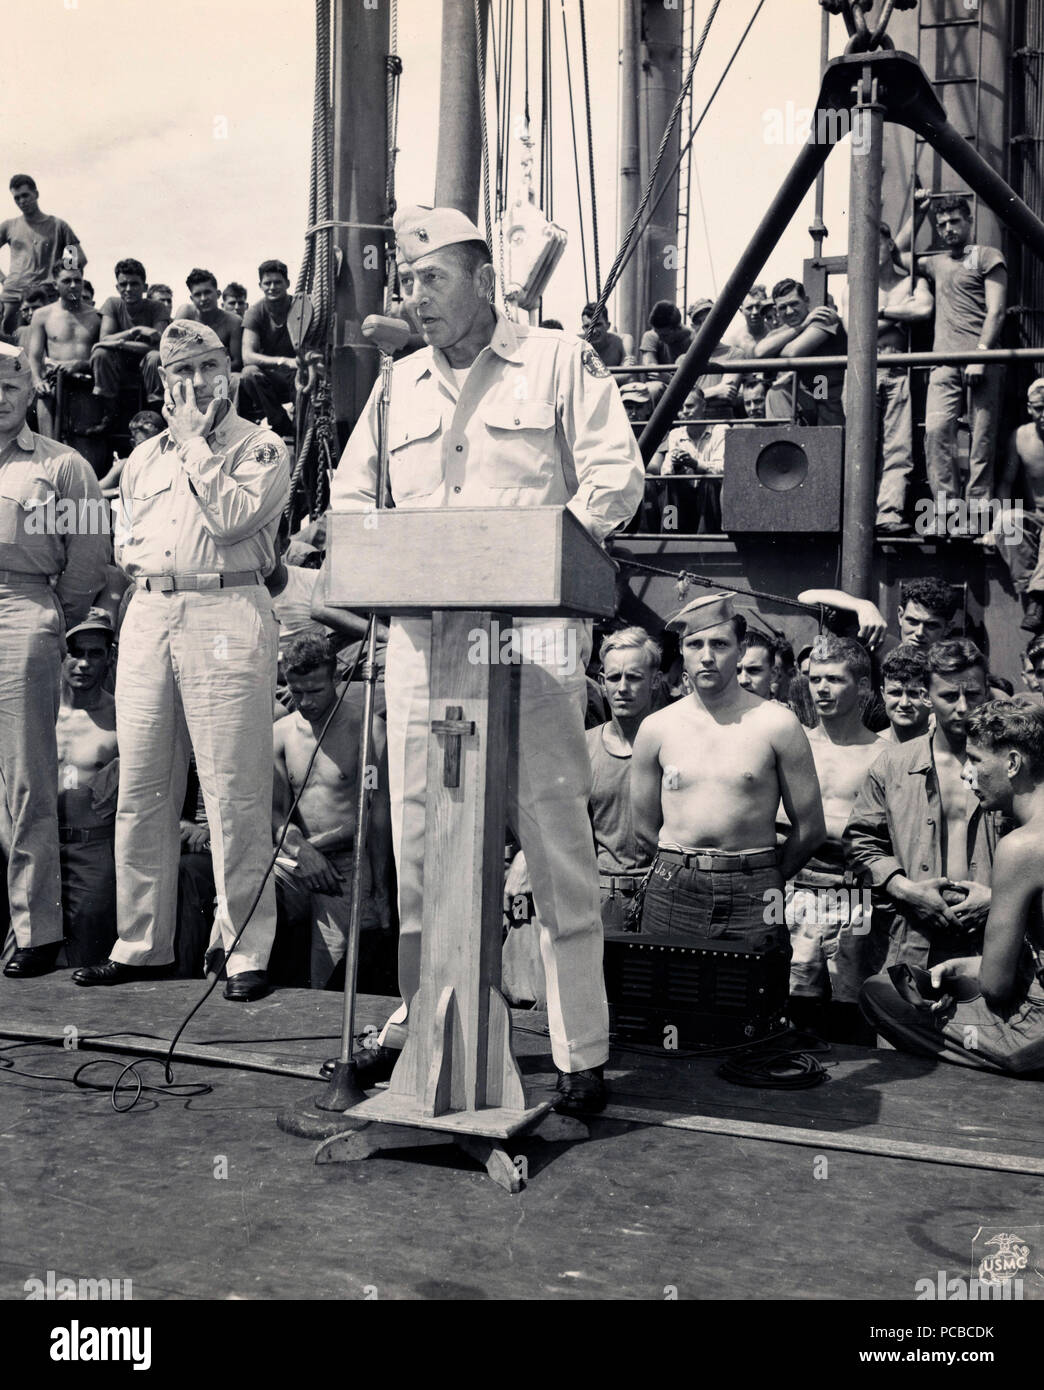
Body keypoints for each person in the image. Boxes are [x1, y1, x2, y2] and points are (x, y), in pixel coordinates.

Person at [330, 204, 644, 1115]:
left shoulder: (554, 360)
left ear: (481, 278)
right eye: (407, 280)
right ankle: (434, 1031)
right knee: (423, 845)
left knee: (552, 840)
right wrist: (372, 544)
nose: (415, 296)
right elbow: (355, 492)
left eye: (432, 278)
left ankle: (581, 1050)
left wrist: (547, 555)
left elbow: (615, 476)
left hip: (535, 635)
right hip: (427, 639)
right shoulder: (397, 388)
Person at [71, 320, 290, 1000]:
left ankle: (245, 950)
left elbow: (230, 521)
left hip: (225, 610)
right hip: (150, 610)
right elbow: (129, 543)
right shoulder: (141, 460)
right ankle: (141, 943)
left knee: (233, 790)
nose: (194, 384)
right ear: (163, 383)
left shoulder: (261, 446)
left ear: (228, 370)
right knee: (141, 787)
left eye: (206, 368)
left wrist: (197, 445)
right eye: (180, 374)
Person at [630, 593, 825, 959]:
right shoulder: (656, 728)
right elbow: (643, 829)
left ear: (738, 651)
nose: (707, 656)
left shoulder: (777, 723)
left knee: (755, 1006)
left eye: (719, 644)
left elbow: (811, 829)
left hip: (756, 888)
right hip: (673, 886)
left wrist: (763, 876)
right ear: (683, 653)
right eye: (695, 644)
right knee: (670, 1005)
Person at [0, 342, 108, 978]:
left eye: (11, 385)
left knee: (27, 777)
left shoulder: (68, 467)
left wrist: (52, 614)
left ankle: (36, 929)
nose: (0, 396)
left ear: (32, 391)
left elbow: (91, 554)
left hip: (22, 608)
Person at [860, 701, 1044, 1074]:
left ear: (1012, 764)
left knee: (879, 995)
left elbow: (996, 987)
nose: (966, 774)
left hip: (1034, 1031)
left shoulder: (1022, 845)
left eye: (975, 759)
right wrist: (967, 964)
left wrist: (969, 975)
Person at [845, 638, 999, 972]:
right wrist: (906, 890)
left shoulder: (1014, 767)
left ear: (986, 692)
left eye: (972, 694)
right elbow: (860, 844)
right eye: (949, 696)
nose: (962, 707)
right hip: (911, 937)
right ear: (927, 697)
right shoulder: (892, 766)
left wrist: (998, 899)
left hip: (993, 938)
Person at [272, 633, 393, 988]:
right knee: (242, 899)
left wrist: (380, 890)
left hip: (347, 862)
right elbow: (274, 815)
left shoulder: (369, 731)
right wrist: (302, 852)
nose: (306, 702)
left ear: (336, 679)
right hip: (295, 858)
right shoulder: (280, 734)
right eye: (297, 691)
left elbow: (375, 813)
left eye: (315, 691)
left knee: (336, 971)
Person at [783, 636, 888, 1031]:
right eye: (815, 679)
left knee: (850, 1004)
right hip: (793, 888)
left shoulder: (883, 753)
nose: (822, 689)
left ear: (862, 686)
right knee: (792, 997)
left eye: (835, 680)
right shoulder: (793, 742)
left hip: (854, 894)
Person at [900, 191, 1007, 507]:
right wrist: (919, 214)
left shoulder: (985, 256)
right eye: (942, 224)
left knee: (982, 440)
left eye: (955, 221)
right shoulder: (937, 261)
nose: (948, 229)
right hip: (944, 363)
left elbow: (997, 311)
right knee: (935, 431)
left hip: (982, 361)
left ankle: (976, 511)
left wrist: (981, 354)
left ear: (969, 221)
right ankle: (946, 510)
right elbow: (895, 253)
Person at [839, 223, 934, 535]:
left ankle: (888, 515)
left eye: (876, 244)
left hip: (896, 370)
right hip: (860, 374)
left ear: (890, 244)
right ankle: (857, 517)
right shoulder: (853, 287)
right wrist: (897, 312)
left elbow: (923, 309)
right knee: (860, 447)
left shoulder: (911, 283)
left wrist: (878, 313)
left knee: (898, 449)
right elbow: (856, 333)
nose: (870, 252)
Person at [55, 609, 119, 967]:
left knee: (87, 955)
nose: (84, 663)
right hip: (40, 849)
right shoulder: (38, 711)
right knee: (25, 951)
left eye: (95, 654)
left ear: (109, 658)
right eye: (76, 652)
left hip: (94, 848)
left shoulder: (121, 716)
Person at [589, 627, 660, 931]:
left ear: (654, 681)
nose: (623, 688)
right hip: (600, 897)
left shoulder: (674, 744)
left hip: (661, 895)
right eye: (615, 678)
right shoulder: (583, 747)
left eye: (634, 677)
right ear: (602, 682)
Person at [88, 259, 169, 435]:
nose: (128, 289)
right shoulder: (112, 304)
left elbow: (160, 345)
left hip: (147, 366)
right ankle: (109, 415)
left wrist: (119, 343)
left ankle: (157, 416)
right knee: (101, 354)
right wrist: (135, 331)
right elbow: (104, 339)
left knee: (155, 357)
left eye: (134, 284)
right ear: (117, 287)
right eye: (123, 284)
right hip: (119, 366)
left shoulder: (157, 307)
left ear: (145, 287)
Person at [0, 176, 85, 337]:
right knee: (8, 343)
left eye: (25, 195)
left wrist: (60, 279)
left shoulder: (58, 225)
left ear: (36, 194)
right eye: (16, 198)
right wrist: (4, 280)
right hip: (14, 294)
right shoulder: (9, 226)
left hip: (45, 294)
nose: (21, 201)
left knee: (48, 341)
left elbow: (78, 258)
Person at [757, 278, 846, 426]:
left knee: (830, 438)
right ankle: (786, 442)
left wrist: (776, 350)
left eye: (794, 304)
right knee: (777, 392)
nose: (789, 311)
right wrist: (801, 326)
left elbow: (792, 353)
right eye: (783, 307)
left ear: (806, 301)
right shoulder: (794, 327)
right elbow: (759, 351)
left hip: (834, 393)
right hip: (815, 393)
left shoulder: (824, 317)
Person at [993, 379, 1044, 633]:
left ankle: (1038, 601)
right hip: (1038, 517)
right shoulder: (1021, 436)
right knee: (1007, 520)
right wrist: (996, 523)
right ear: (1029, 408)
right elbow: (1006, 482)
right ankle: (1031, 593)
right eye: (1039, 408)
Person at [27, 263, 101, 439]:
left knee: (84, 447)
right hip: (54, 386)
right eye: (67, 280)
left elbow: (102, 357)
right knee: (50, 445)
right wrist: (37, 381)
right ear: (55, 284)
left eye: (77, 280)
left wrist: (80, 365)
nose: (73, 285)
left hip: (87, 385)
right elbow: (35, 357)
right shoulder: (42, 315)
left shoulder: (97, 316)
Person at [238, 259, 297, 436]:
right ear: (260, 285)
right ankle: (279, 421)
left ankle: (304, 425)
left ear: (287, 283)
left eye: (277, 282)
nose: (272, 287)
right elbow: (247, 356)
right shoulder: (255, 312)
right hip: (274, 379)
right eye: (267, 283)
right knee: (249, 373)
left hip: (298, 377)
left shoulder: (300, 307)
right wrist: (283, 361)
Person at [174, 269, 243, 369]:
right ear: (192, 299)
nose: (203, 298)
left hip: (221, 374)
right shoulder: (185, 313)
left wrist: (209, 371)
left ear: (218, 294)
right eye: (197, 294)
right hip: (189, 370)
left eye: (207, 292)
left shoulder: (233, 322)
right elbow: (172, 349)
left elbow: (237, 362)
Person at [880, 644, 932, 743]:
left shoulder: (944, 752)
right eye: (895, 693)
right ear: (883, 694)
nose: (904, 703)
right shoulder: (869, 749)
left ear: (930, 697)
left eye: (914, 693)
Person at [580, 301, 631, 371]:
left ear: (608, 325)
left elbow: (629, 374)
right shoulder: (577, 346)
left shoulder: (620, 342)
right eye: (587, 326)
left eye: (598, 325)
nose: (593, 331)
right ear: (583, 328)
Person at [724, 285, 772, 356]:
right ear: (741, 310)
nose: (755, 312)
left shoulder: (777, 331)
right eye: (749, 308)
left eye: (758, 306)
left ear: (766, 307)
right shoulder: (734, 342)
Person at [737, 629, 783, 700]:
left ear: (773, 675)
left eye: (753, 670)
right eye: (736, 671)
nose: (743, 680)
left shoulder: (783, 711)